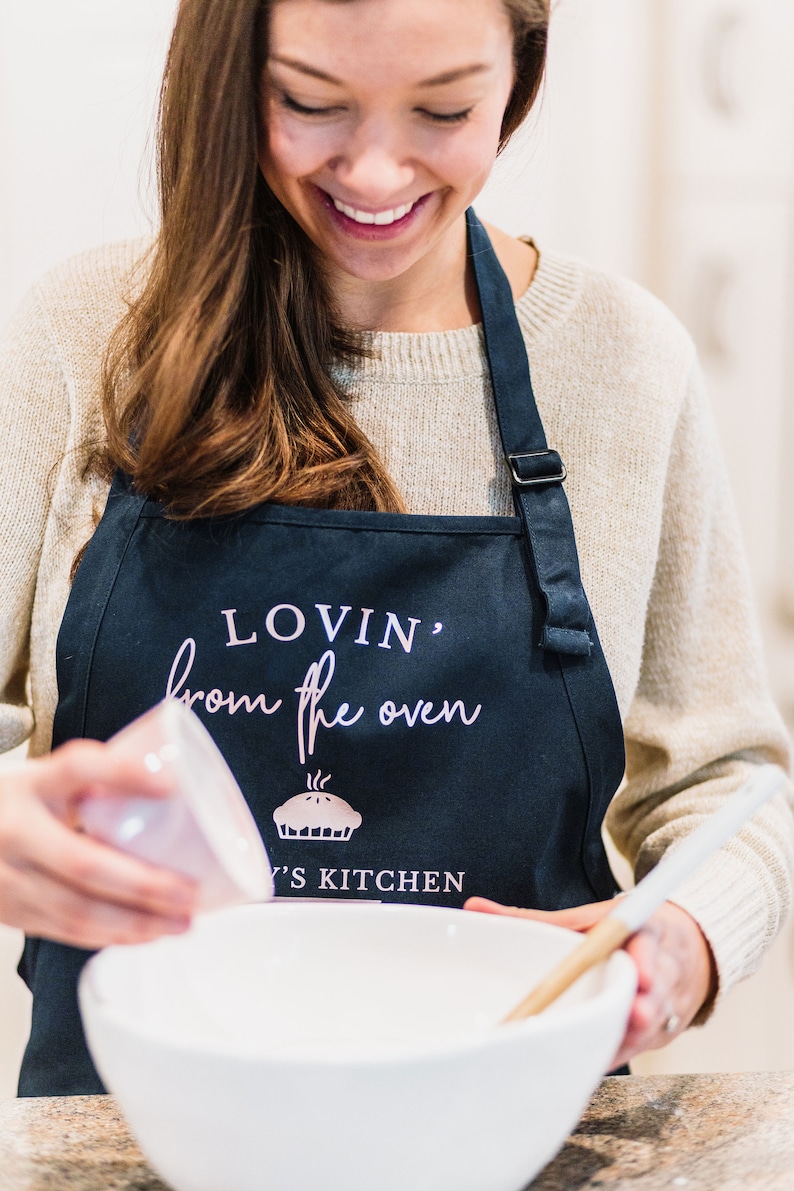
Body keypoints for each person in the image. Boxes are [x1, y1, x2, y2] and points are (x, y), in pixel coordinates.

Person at [0, 0, 791, 1096]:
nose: (374, 174)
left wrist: (682, 944)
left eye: (444, 107)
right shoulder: (84, 336)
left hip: (511, 1137)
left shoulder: (621, 364)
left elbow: (727, 788)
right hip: (134, 1140)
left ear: (518, 71)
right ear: (227, 77)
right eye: (308, 103)